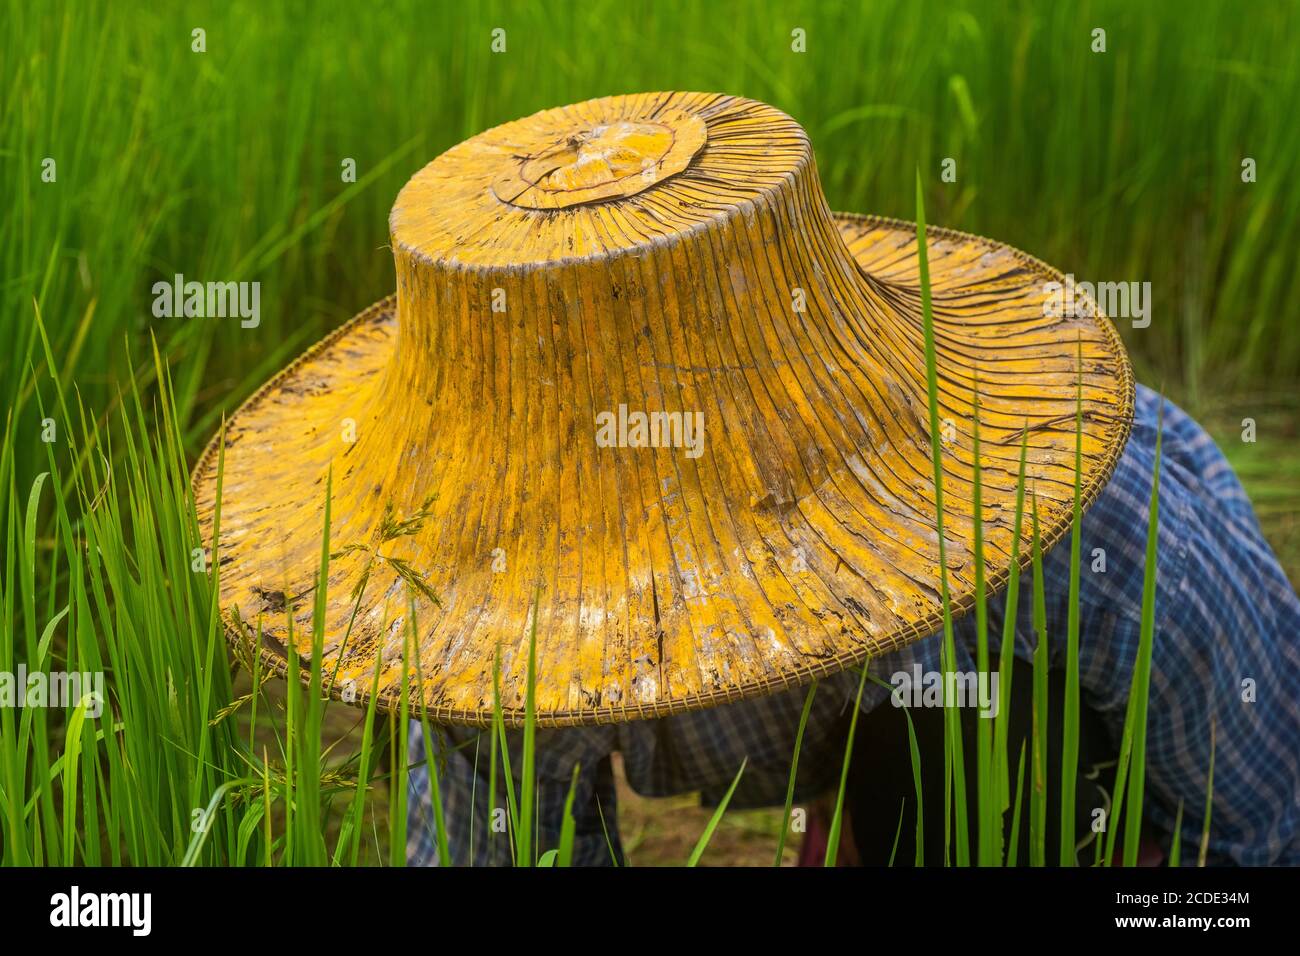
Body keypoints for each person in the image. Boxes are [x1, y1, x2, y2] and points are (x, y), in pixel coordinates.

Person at [408, 385, 1300, 866]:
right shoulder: (511, 650)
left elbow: (1264, 835)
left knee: (981, 730)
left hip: (1081, 747)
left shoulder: (1075, 522)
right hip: (862, 761)